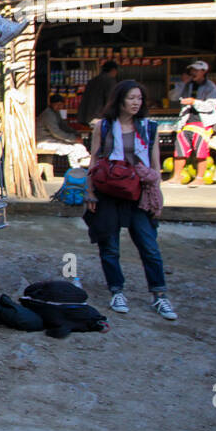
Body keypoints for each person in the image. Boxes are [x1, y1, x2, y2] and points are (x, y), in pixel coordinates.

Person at [84, 80, 176, 320]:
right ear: (120, 100)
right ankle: (116, 291)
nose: (136, 103)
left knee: (149, 246)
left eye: (140, 99)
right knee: (110, 246)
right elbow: (94, 160)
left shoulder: (149, 128)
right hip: (108, 191)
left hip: (139, 193)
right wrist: (90, 191)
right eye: (131, 98)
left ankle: (159, 295)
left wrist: (157, 195)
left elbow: (155, 166)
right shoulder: (103, 127)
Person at [167, 60, 216, 185]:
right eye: (192, 70)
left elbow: (210, 106)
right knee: (180, 147)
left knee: (201, 150)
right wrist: (182, 84)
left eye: (197, 70)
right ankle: (176, 176)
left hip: (203, 123)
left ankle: (199, 178)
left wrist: (194, 102)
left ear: (204, 72)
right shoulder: (187, 85)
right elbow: (173, 97)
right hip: (187, 122)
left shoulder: (211, 87)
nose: (193, 73)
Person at [36, 93, 90, 167]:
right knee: (72, 148)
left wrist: (75, 132)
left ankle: (82, 164)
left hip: (52, 139)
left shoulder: (55, 112)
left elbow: (63, 126)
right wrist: (73, 138)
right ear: (51, 104)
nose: (59, 107)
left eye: (61, 105)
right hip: (44, 141)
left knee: (79, 146)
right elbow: (56, 133)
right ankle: (76, 169)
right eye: (57, 104)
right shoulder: (48, 115)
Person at [76, 60, 119, 126]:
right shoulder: (110, 81)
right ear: (113, 70)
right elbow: (110, 100)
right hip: (99, 117)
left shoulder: (92, 80)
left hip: (86, 116)